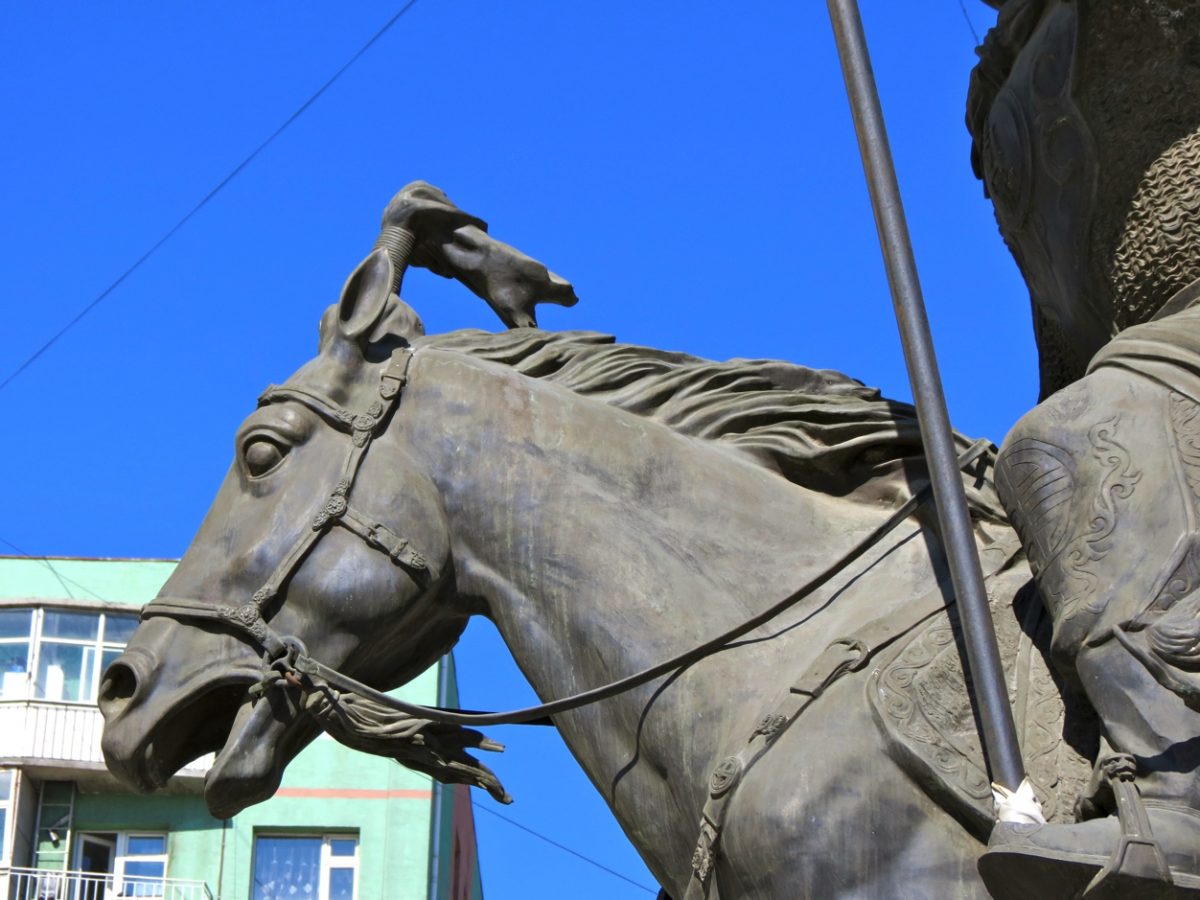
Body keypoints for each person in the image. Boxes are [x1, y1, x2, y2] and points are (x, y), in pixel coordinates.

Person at [966, 1, 1200, 895]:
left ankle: (1183, 797)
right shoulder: (1002, 79)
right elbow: (1069, 319)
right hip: (1133, 356)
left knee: (1077, 436)